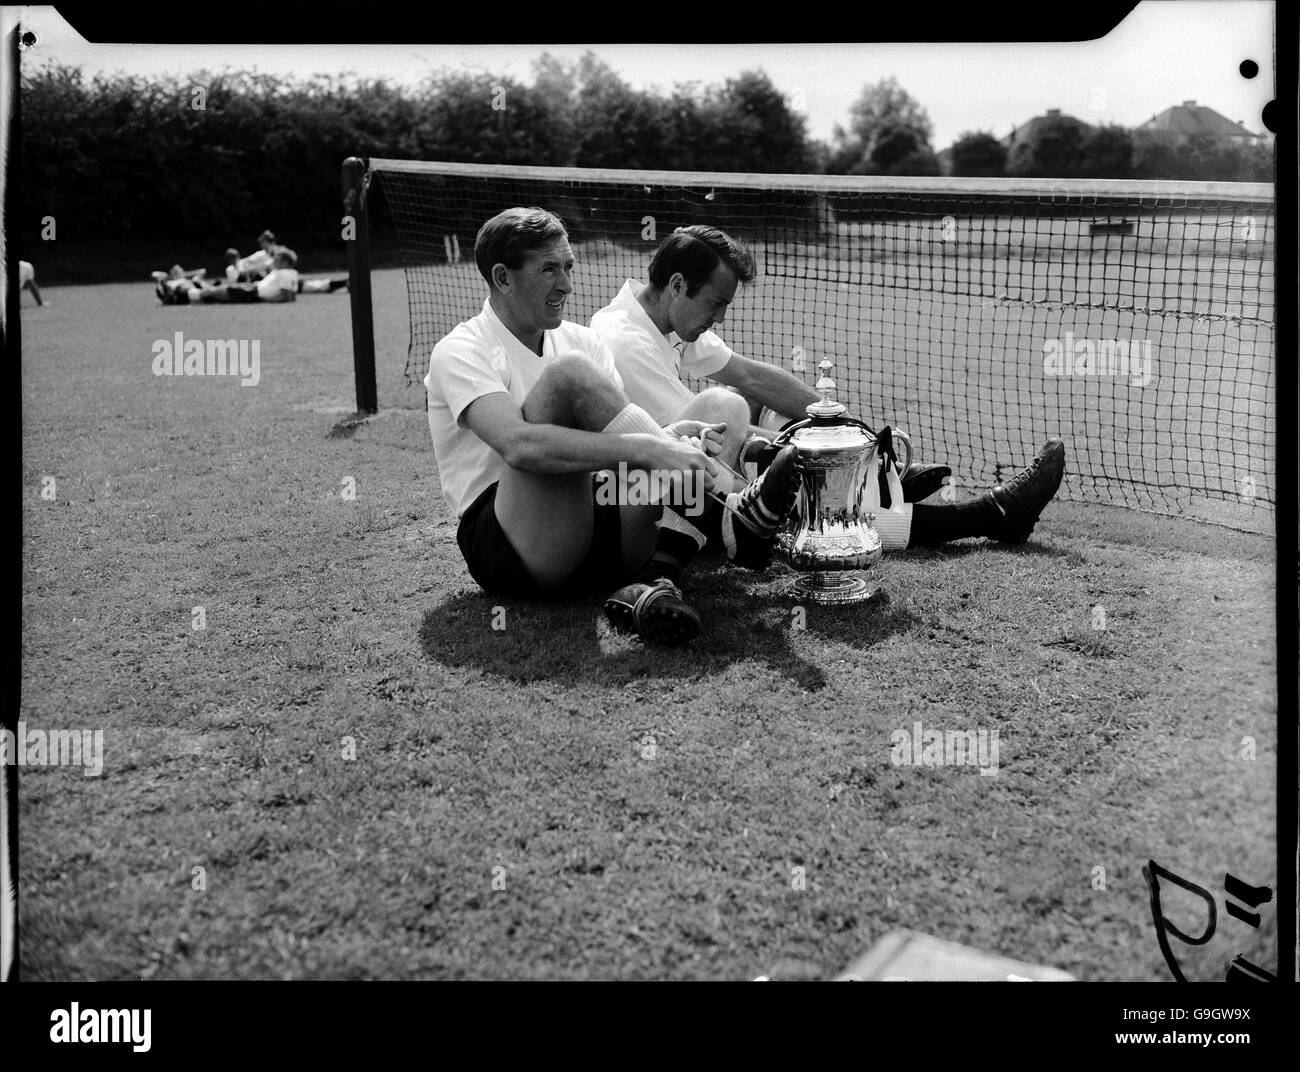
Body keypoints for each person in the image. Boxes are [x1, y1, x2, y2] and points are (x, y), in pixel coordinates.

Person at [423, 206, 805, 645]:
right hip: (516, 544)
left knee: (724, 405)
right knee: (569, 375)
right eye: (549, 269)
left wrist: (668, 441)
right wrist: (651, 449)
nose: (566, 284)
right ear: (503, 278)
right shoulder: (461, 350)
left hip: (598, 521)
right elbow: (520, 446)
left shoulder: (583, 338)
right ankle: (728, 518)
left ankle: (658, 577)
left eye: (568, 266)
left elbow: (621, 443)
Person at [590, 224, 1067, 556]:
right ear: (677, 285)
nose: (720, 318)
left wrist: (850, 437)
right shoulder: (625, 342)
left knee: (760, 409)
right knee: (788, 471)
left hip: (699, 473)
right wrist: (821, 462)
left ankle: (880, 479)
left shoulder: (664, 320)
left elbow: (753, 376)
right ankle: (985, 514)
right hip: (668, 498)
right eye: (716, 303)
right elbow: (706, 449)